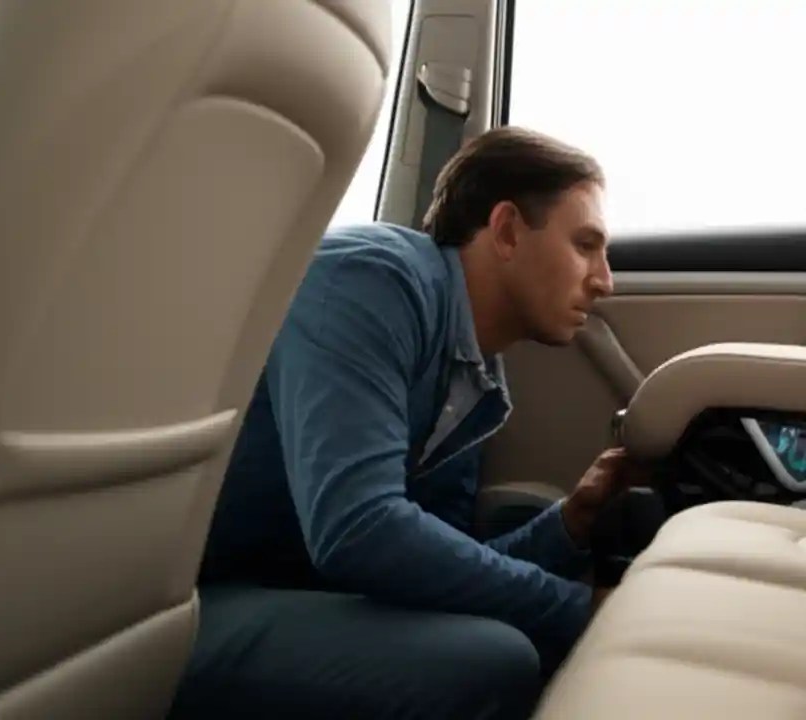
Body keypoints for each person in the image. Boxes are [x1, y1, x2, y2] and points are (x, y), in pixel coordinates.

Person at [169, 127, 640, 719]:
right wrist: (581, 608)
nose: (604, 280)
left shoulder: (474, 375)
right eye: (585, 245)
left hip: (297, 591)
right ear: (506, 230)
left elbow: (440, 563)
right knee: (496, 659)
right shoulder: (370, 277)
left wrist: (569, 525)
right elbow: (358, 528)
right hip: (185, 604)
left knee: (514, 624)